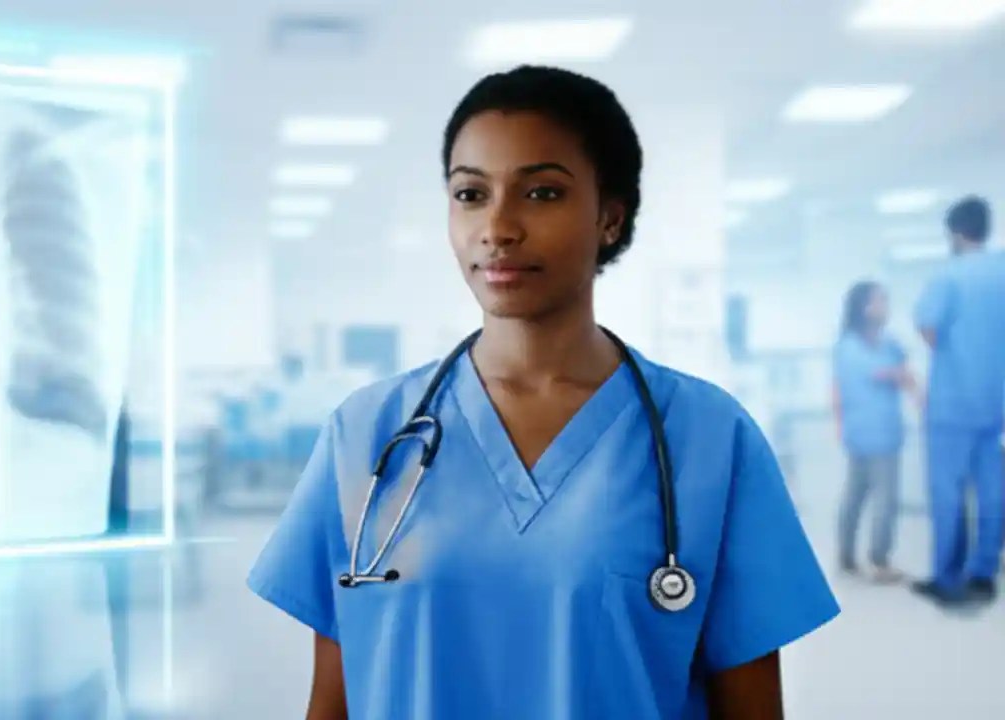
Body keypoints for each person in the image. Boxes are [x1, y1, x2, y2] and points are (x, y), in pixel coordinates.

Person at [247, 66, 839, 719]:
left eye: (542, 193)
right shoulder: (367, 433)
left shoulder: (708, 437)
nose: (498, 227)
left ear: (610, 217)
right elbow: (331, 701)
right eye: (471, 194)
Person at [912, 196, 1005, 607]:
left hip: (953, 401)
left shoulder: (948, 276)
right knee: (993, 487)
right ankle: (983, 573)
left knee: (947, 491)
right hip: (995, 400)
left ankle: (947, 577)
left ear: (954, 233)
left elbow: (929, 329)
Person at [831, 281, 917, 583]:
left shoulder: (886, 343)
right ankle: (878, 561)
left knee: (857, 494)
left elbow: (903, 365)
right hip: (869, 432)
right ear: (864, 307)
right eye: (880, 301)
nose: (885, 307)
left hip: (881, 430)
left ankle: (848, 557)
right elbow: (883, 372)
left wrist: (904, 375)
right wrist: (901, 375)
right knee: (883, 498)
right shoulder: (850, 346)